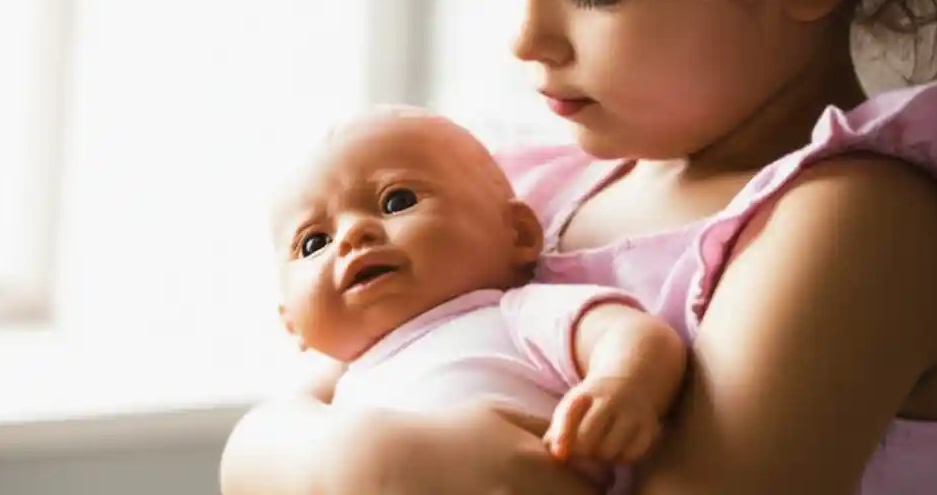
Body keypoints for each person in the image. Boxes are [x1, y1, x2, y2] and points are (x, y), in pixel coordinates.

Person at [220, 0, 937, 492]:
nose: (528, 38)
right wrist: (357, 465)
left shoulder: (854, 226)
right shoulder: (533, 192)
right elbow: (274, 431)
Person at [271, 107, 686, 487]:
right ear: (291, 322)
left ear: (519, 233)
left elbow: (634, 334)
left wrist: (620, 384)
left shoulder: (512, 313)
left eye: (396, 201)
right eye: (313, 243)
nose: (352, 235)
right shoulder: (334, 400)